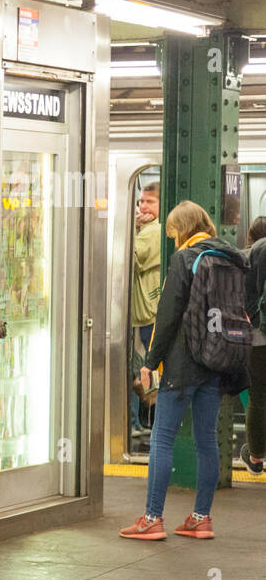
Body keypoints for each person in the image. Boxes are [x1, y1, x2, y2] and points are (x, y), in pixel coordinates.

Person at [122, 201, 251, 541]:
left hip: (182, 362)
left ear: (182, 229)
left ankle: (152, 518)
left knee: (162, 438)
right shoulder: (234, 258)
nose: (173, 239)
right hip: (217, 361)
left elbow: (167, 316)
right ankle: (201, 518)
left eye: (173, 233)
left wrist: (150, 363)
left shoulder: (185, 259)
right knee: (206, 439)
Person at [130, 182, 162, 433]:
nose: (143, 206)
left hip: (147, 314)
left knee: (144, 369)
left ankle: (145, 422)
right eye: (141, 202)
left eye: (150, 202)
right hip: (148, 312)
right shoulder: (149, 230)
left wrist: (132, 226)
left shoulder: (153, 231)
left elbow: (131, 257)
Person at [242, 216, 266, 475]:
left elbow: (245, 296)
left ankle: (257, 458)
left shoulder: (253, 253)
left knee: (258, 398)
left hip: (259, 337)